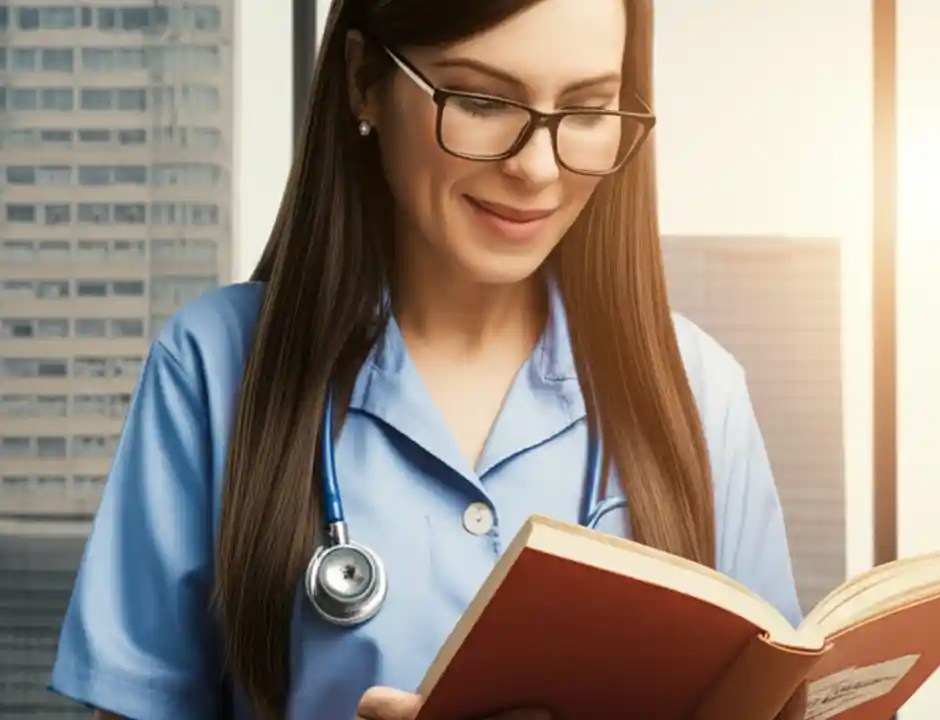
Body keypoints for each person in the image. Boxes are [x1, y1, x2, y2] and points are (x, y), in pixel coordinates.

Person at [47, 0, 806, 718]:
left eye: (585, 111)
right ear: (362, 82)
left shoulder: (700, 391)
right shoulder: (214, 368)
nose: (538, 169)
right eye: (482, 103)